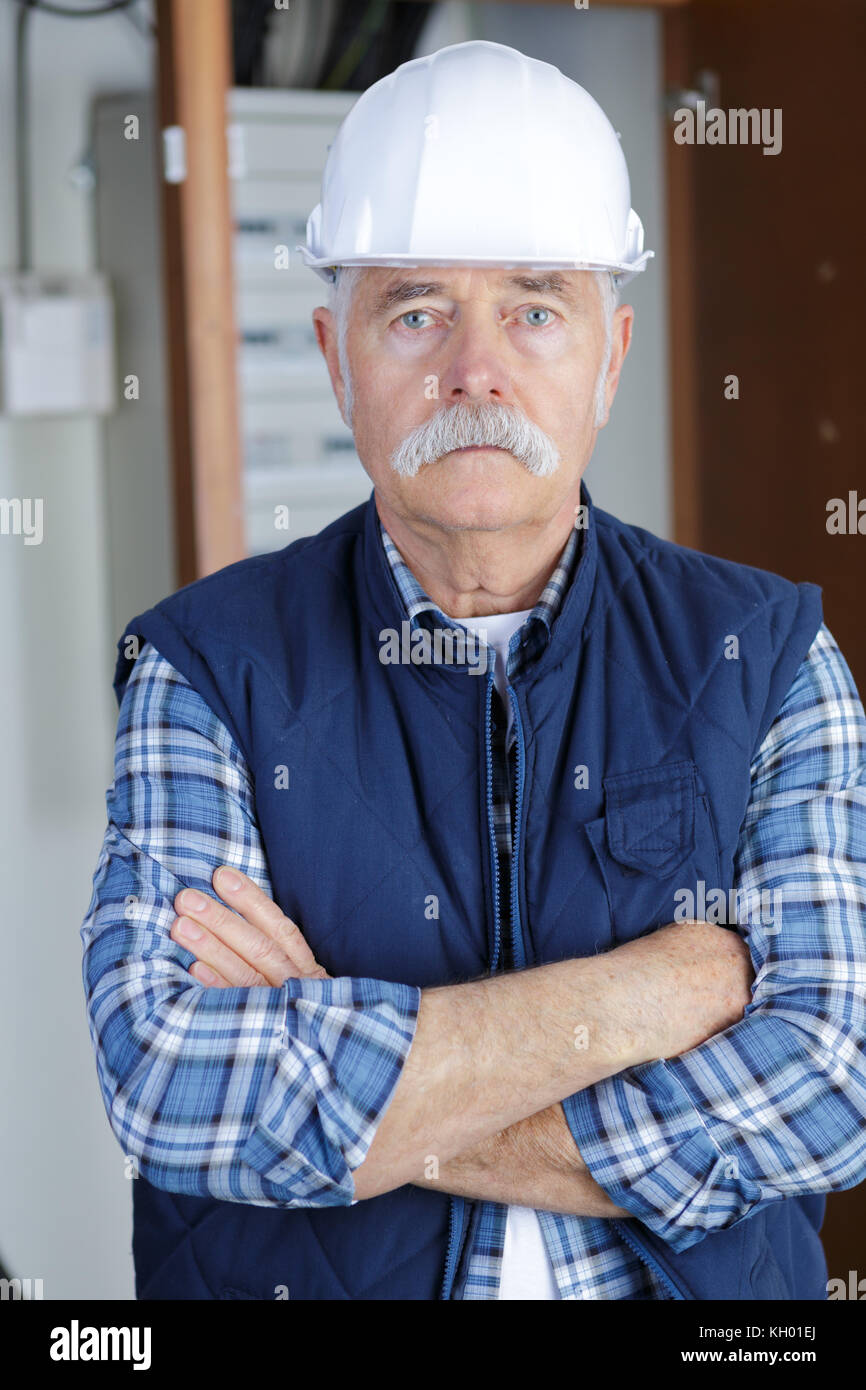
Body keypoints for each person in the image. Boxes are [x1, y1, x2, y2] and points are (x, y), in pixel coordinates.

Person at [81, 40, 866, 1301]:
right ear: (340, 360)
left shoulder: (766, 655)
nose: (473, 368)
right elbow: (172, 1083)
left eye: (533, 307)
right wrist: (653, 992)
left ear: (607, 359)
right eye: (414, 310)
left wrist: (356, 1073)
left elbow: (831, 1082)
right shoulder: (204, 668)